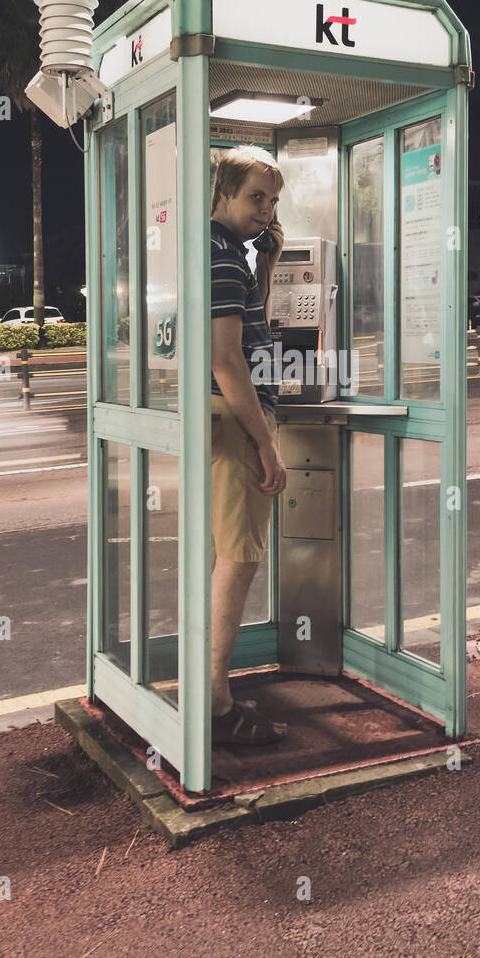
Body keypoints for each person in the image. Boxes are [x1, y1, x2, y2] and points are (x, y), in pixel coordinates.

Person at [209, 146, 288, 745]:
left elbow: (245, 325)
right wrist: (267, 446)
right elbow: (227, 360)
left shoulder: (227, 255)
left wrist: (268, 266)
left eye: (272, 201)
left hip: (232, 417)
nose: (265, 210)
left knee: (231, 553)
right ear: (224, 192)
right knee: (241, 556)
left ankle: (211, 689)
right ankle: (215, 703)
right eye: (256, 197)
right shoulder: (221, 258)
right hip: (239, 420)